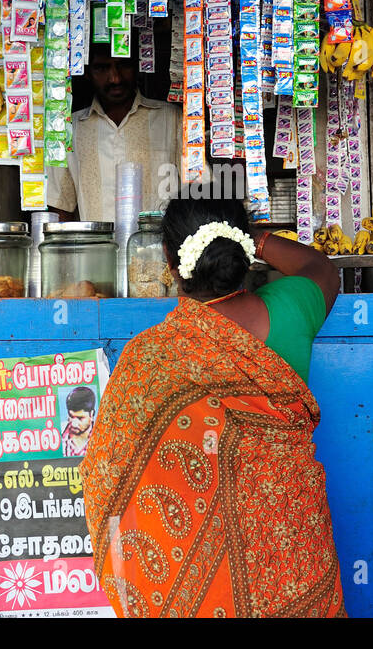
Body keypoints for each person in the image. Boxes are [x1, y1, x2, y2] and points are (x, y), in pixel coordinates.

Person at [80, 196, 345, 617]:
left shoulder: (147, 358)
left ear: (170, 260)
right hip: (291, 551)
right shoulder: (292, 311)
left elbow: (106, 473)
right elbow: (322, 269)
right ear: (242, 249)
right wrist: (255, 239)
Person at [46, 43, 178, 221]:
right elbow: (60, 207)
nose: (115, 78)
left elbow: (198, 193)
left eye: (123, 65)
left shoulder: (171, 120)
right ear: (86, 71)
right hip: (94, 248)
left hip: (160, 248)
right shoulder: (68, 129)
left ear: (136, 66)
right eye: (102, 68)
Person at [60, 385, 96, 458]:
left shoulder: (102, 437)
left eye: (80, 418)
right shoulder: (59, 437)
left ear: (91, 414)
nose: (74, 424)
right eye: (71, 416)